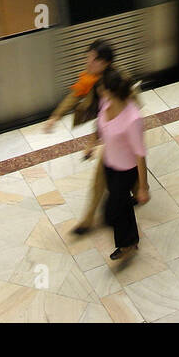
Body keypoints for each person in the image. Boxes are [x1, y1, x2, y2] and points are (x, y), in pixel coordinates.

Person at [43, 39, 112, 235]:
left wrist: (92, 142)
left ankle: (89, 219)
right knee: (127, 167)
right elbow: (75, 95)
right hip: (111, 129)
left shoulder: (112, 84)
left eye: (93, 60)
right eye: (88, 58)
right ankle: (140, 186)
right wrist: (55, 116)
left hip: (121, 132)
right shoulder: (92, 78)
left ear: (105, 63)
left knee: (102, 175)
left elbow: (108, 117)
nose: (88, 63)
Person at [90, 66, 149, 261]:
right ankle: (131, 240)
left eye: (102, 87)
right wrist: (92, 144)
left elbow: (140, 154)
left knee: (112, 211)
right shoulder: (106, 103)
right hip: (110, 163)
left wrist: (143, 187)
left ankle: (127, 243)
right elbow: (102, 126)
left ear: (109, 90)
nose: (99, 89)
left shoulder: (132, 119)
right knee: (121, 205)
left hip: (126, 169)